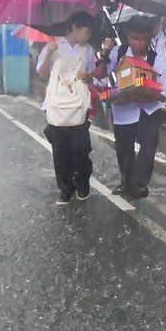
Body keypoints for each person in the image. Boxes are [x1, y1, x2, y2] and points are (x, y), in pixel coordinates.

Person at [104, 16, 166, 199]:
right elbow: (102, 74)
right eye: (134, 38)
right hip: (123, 111)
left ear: (149, 38)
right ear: (127, 36)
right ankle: (126, 182)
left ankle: (138, 184)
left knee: (149, 144)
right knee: (124, 149)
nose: (138, 43)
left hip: (148, 109)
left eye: (142, 39)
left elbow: (164, 91)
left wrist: (141, 93)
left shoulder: (156, 59)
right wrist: (104, 53)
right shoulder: (118, 53)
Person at [37, 12, 100, 205]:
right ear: (74, 27)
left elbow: (94, 75)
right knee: (60, 150)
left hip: (78, 105)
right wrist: (48, 52)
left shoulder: (88, 50)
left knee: (81, 147)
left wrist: (89, 77)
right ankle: (65, 188)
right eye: (86, 31)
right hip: (57, 105)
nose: (87, 36)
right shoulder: (54, 46)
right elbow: (42, 74)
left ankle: (82, 181)